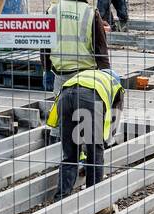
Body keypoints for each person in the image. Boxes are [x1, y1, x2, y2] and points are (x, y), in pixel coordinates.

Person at [46, 68, 125, 199]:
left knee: (70, 155)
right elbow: (114, 119)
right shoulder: (116, 86)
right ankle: (93, 200)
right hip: (89, 100)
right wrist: (105, 141)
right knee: (95, 154)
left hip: (64, 98)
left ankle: (61, 199)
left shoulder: (88, 75)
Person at [42, 0, 110, 92]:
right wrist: (106, 74)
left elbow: (45, 45)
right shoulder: (91, 13)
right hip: (86, 79)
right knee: (85, 111)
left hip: (60, 76)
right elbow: (100, 50)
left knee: (61, 110)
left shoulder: (52, 11)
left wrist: (46, 69)